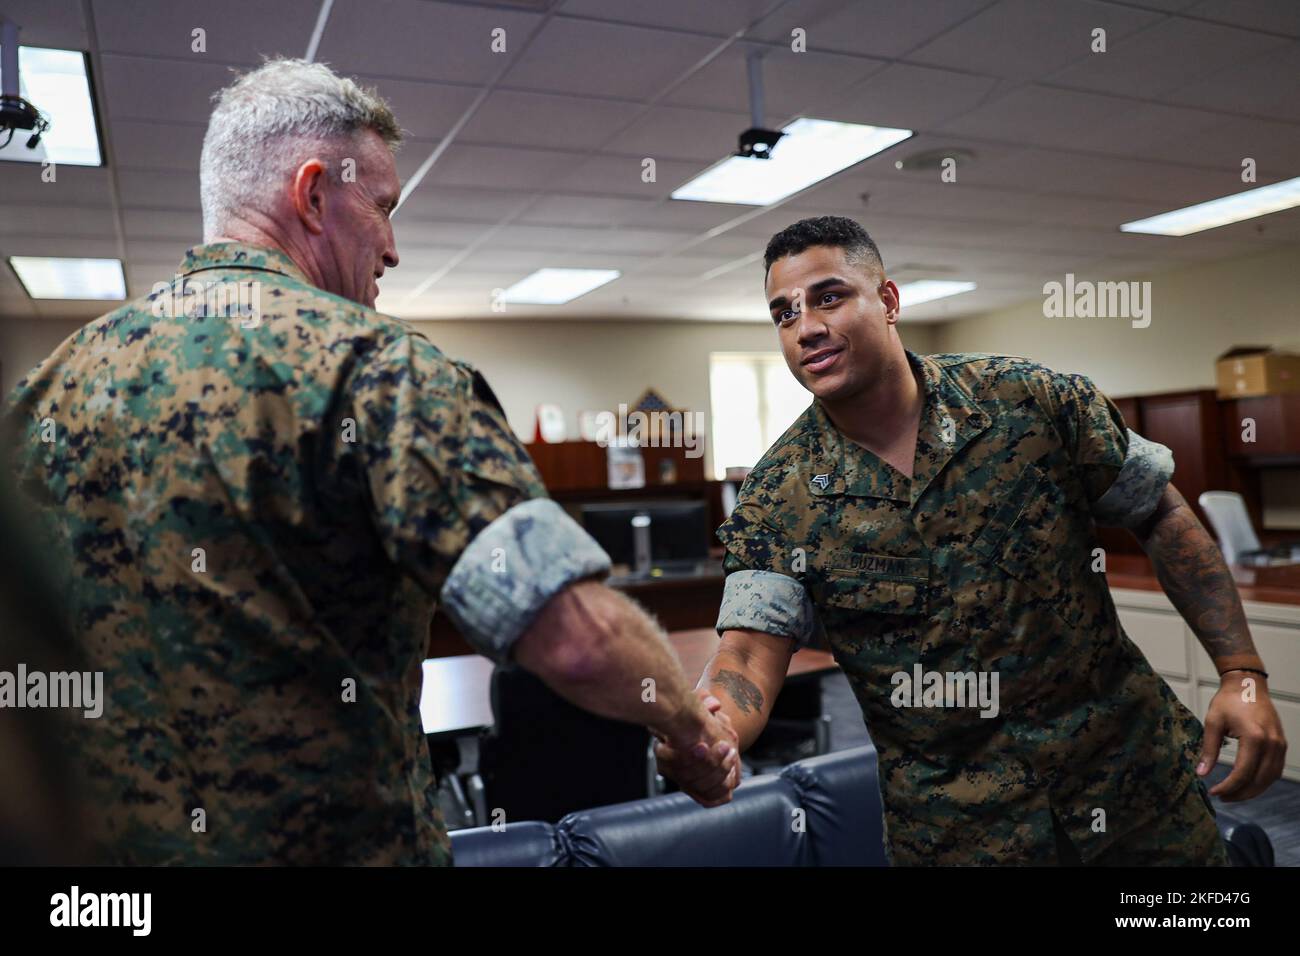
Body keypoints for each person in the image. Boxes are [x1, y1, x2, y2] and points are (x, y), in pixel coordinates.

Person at [3, 58, 737, 865]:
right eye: (383, 208)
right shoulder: (380, 368)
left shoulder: (43, 391)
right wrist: (688, 729)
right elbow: (575, 639)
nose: (391, 247)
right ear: (314, 194)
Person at [657, 216, 1287, 866]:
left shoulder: (1029, 402)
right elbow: (750, 652)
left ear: (890, 300)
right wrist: (717, 728)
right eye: (783, 313)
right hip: (962, 834)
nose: (806, 325)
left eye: (829, 296)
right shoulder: (777, 495)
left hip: (1137, 791)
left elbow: (1161, 514)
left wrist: (1241, 672)